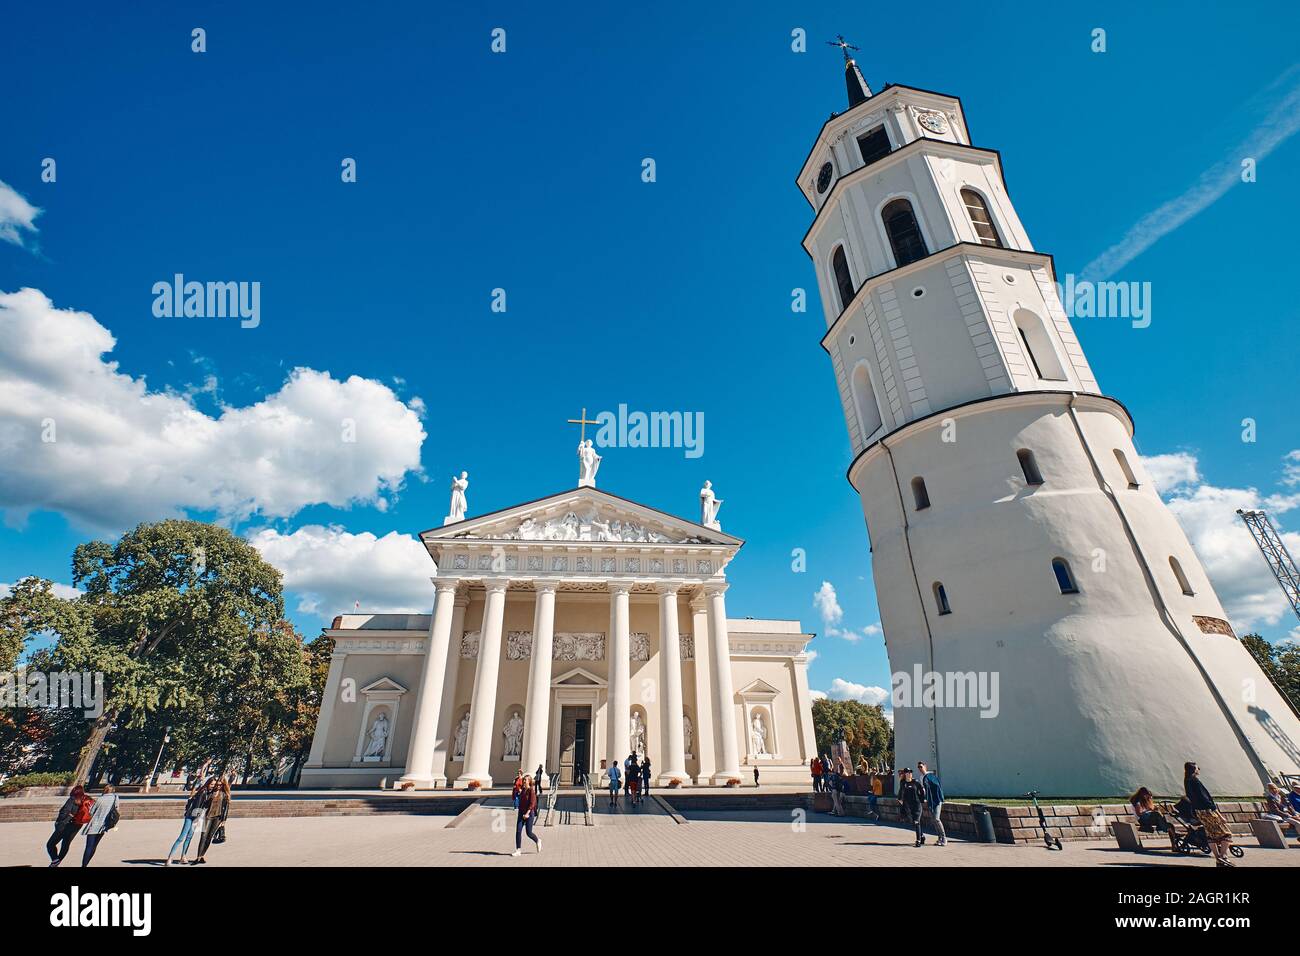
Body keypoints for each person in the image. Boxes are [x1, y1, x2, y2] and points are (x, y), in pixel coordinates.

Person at [1184, 761, 1234, 867]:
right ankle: (1224, 856)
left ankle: (1218, 859)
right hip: (1207, 811)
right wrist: (1219, 814)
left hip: (1199, 812)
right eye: (1197, 768)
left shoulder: (1187, 781)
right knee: (1226, 833)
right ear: (1193, 769)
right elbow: (1205, 798)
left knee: (1210, 834)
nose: (1199, 769)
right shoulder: (1195, 781)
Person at [166, 780, 211, 865]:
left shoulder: (206, 792)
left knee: (189, 837)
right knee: (182, 837)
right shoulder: (203, 792)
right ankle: (170, 858)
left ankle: (183, 856)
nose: (212, 786)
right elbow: (197, 805)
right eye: (211, 784)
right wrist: (197, 818)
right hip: (192, 816)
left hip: (195, 816)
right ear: (208, 784)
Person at [47, 785, 91, 867]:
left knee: (50, 844)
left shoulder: (73, 799)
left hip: (65, 825)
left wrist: (59, 821)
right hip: (77, 825)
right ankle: (57, 861)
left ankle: (55, 860)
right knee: (66, 843)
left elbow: (65, 812)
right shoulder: (86, 799)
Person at [81, 784, 120, 867]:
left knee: (89, 847)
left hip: (93, 825)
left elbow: (91, 812)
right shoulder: (115, 798)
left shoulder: (100, 799)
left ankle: (84, 865)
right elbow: (116, 809)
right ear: (113, 790)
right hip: (104, 826)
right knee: (94, 846)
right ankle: (86, 864)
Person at [194, 776, 230, 864]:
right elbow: (202, 803)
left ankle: (202, 856)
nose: (218, 786)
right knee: (203, 836)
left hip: (217, 817)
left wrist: (223, 821)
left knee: (209, 837)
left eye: (220, 785)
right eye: (217, 785)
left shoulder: (224, 794)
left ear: (223, 785)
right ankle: (198, 857)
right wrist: (196, 816)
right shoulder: (210, 792)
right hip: (207, 816)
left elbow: (226, 808)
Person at [917, 761, 947, 847]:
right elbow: (924, 789)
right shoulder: (921, 778)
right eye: (918, 767)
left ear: (925, 766)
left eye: (921, 766)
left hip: (936, 800)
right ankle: (939, 838)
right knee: (934, 820)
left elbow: (937, 786)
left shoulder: (931, 775)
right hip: (930, 800)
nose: (920, 768)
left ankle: (944, 838)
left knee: (937, 819)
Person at [511, 774, 541, 856]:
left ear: (529, 782)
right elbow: (517, 799)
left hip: (529, 813)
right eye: (524, 780)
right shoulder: (523, 790)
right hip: (521, 813)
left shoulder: (531, 791)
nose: (524, 781)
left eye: (526, 780)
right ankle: (518, 850)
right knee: (518, 831)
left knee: (529, 833)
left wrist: (527, 813)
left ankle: (537, 840)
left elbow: (532, 803)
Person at [898, 768, 927, 847]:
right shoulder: (903, 782)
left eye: (910, 772)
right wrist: (900, 799)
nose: (909, 774)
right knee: (914, 823)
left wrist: (922, 799)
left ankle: (918, 840)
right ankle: (922, 836)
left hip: (917, 805)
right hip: (908, 806)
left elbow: (922, 791)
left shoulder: (916, 782)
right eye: (907, 773)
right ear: (905, 774)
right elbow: (900, 792)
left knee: (916, 822)